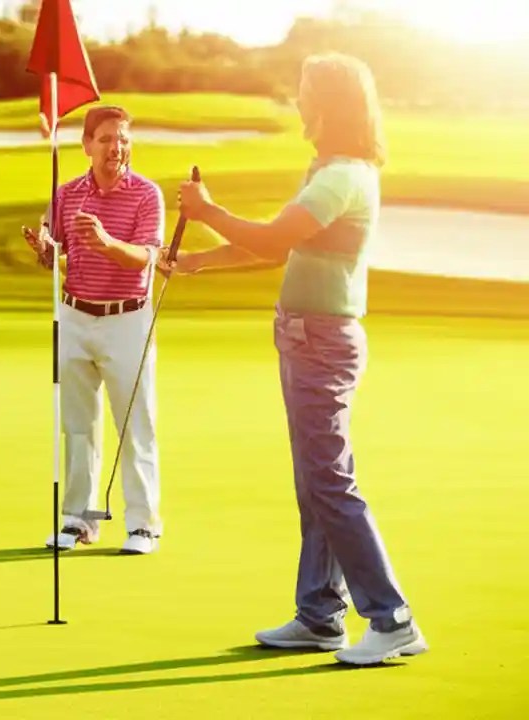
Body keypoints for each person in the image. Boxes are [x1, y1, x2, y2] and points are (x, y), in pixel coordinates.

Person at [168, 52, 426, 665]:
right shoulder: (327, 170)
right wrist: (196, 261)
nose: (297, 98)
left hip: (323, 340)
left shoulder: (344, 177)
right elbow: (276, 250)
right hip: (300, 336)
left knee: (331, 482)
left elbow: (270, 237)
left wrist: (206, 211)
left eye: (306, 90)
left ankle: (391, 618)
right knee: (314, 484)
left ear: (329, 104)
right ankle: (319, 615)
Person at [22, 105, 167, 555]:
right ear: (86, 145)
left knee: (133, 423)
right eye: (105, 139)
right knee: (78, 425)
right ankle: (78, 520)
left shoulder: (147, 194)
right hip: (75, 316)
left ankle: (142, 524)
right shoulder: (67, 194)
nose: (116, 147)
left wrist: (105, 241)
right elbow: (56, 253)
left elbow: (147, 256)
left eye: (122, 138)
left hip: (127, 319)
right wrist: (46, 249)